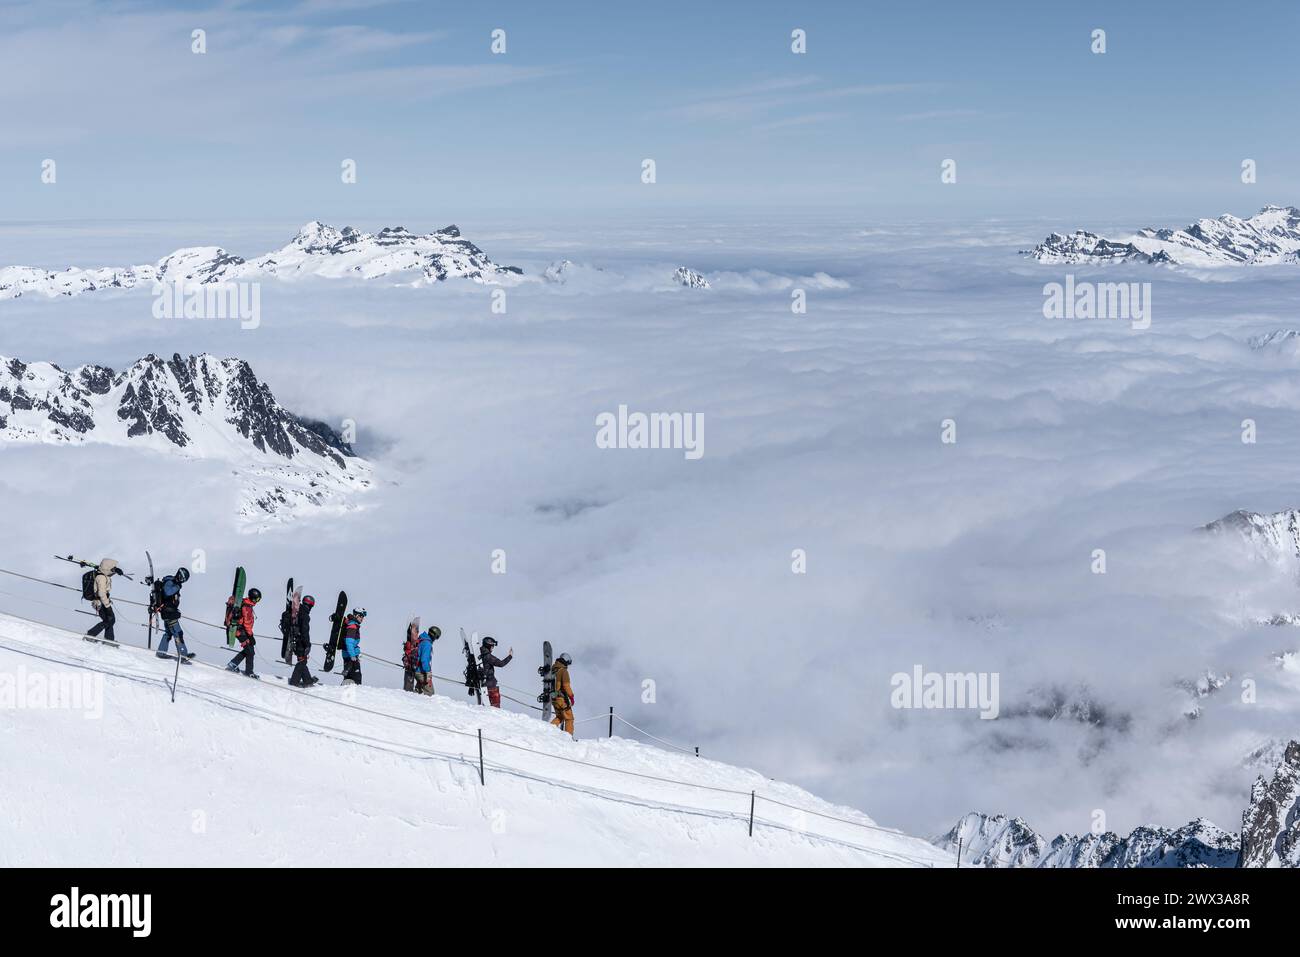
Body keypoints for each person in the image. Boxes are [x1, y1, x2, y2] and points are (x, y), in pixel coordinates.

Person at [152, 567, 195, 661]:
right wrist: (177, 586)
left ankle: (161, 652)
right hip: (169, 613)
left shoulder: (172, 582)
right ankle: (183, 655)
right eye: (183, 578)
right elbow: (167, 592)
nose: (183, 581)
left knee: (168, 633)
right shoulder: (170, 582)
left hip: (168, 612)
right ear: (180, 575)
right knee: (178, 633)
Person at [226, 587, 263, 678]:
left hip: (240, 630)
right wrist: (251, 636)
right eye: (257, 599)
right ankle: (249, 672)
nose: (257, 601)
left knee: (250, 651)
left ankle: (233, 664)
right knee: (250, 652)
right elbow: (247, 623)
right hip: (240, 631)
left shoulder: (244, 603)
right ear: (253, 598)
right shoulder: (247, 606)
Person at [85, 558, 122, 643]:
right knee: (110, 620)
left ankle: (109, 640)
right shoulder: (101, 577)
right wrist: (107, 606)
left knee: (109, 620)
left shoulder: (103, 575)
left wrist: (116, 571)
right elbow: (101, 593)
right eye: (112, 568)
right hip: (101, 603)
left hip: (102, 602)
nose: (113, 570)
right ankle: (91, 634)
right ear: (107, 567)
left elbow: (109, 572)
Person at [289, 595, 319, 688]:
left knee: (302, 660)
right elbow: (304, 631)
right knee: (302, 661)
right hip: (301, 641)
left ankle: (307, 680)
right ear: (310, 605)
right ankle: (294, 681)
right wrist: (307, 644)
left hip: (294, 639)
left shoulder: (297, 611)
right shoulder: (305, 615)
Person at [478, 636, 513, 708]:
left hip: (484, 683)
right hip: (490, 684)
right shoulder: (487, 656)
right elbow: (501, 663)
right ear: (489, 646)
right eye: (492, 646)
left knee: (488, 704)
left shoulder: (480, 654)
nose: (493, 648)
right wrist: (510, 656)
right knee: (495, 705)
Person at [549, 652, 575, 736]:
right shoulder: (563, 671)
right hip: (561, 699)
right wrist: (571, 697)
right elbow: (566, 685)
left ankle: (547, 730)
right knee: (569, 718)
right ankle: (568, 738)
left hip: (553, 699)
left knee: (560, 717)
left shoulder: (553, 670)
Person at [341, 608, 366, 684]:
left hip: (348, 654)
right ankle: (356, 693)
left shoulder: (352, 624)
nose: (362, 619)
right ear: (357, 616)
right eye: (361, 616)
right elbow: (349, 642)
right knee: (356, 677)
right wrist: (352, 655)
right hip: (351, 657)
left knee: (349, 677)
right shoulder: (353, 626)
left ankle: (346, 693)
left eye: (363, 617)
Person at [414, 626, 440, 696]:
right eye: (437, 637)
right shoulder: (427, 644)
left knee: (418, 691)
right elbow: (424, 660)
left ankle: (413, 702)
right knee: (430, 693)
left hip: (416, 669)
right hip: (421, 672)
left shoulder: (422, 640)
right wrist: (428, 672)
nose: (436, 639)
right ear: (434, 635)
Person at [401, 627, 419, 692]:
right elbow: (408, 653)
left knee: (409, 686)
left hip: (412, 666)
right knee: (408, 688)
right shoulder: (410, 644)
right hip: (410, 667)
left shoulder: (415, 642)